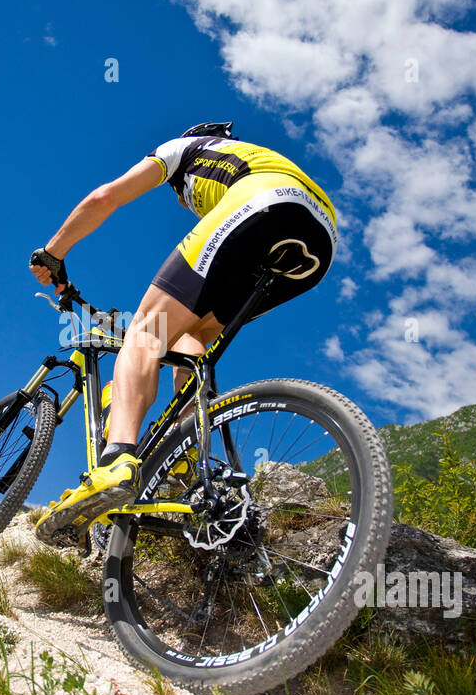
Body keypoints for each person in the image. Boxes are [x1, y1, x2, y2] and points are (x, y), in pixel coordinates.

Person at [28, 121, 338, 545]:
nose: (182, 200)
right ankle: (187, 450)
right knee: (193, 337)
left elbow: (106, 197)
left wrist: (54, 252)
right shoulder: (253, 160)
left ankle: (116, 461)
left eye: (179, 195)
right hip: (320, 239)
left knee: (145, 331)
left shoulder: (188, 148)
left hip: (265, 200)